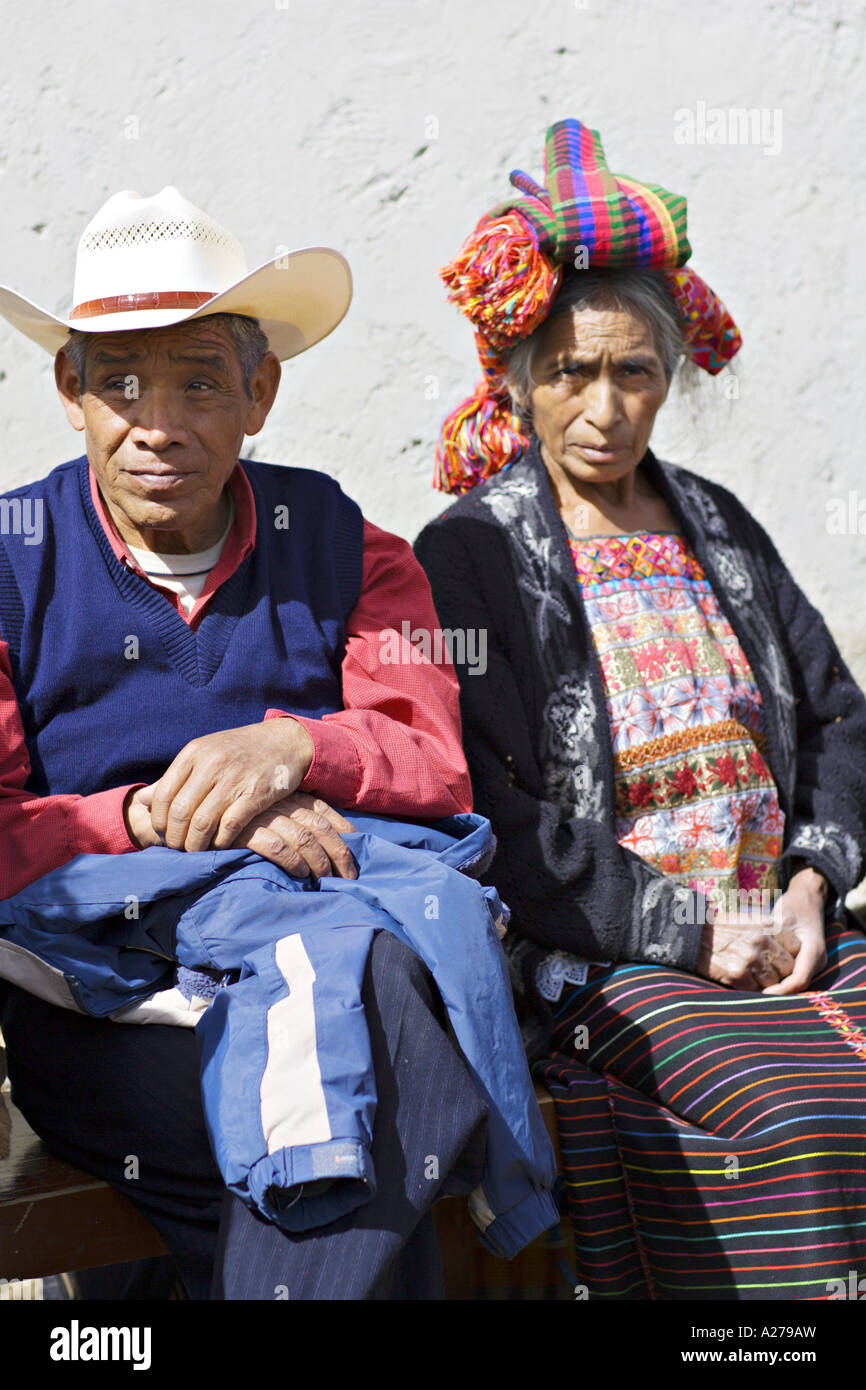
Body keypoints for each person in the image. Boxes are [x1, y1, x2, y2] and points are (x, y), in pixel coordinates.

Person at [0, 186, 557, 1299]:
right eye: (119, 381)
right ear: (71, 392)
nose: (158, 423)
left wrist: (291, 752)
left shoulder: (344, 542)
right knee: (385, 1079)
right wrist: (153, 817)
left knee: (361, 1018)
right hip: (108, 1008)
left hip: (338, 966)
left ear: (260, 393)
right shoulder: (12, 560)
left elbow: (431, 759)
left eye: (200, 380)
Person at [415, 118, 866, 1300]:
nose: (602, 406)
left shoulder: (716, 525)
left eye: (632, 371)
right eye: (568, 371)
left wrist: (809, 886)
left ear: (667, 379)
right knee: (804, 1111)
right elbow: (479, 801)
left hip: (786, 929)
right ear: (518, 380)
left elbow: (835, 719)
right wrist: (690, 929)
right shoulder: (470, 556)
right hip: (606, 952)